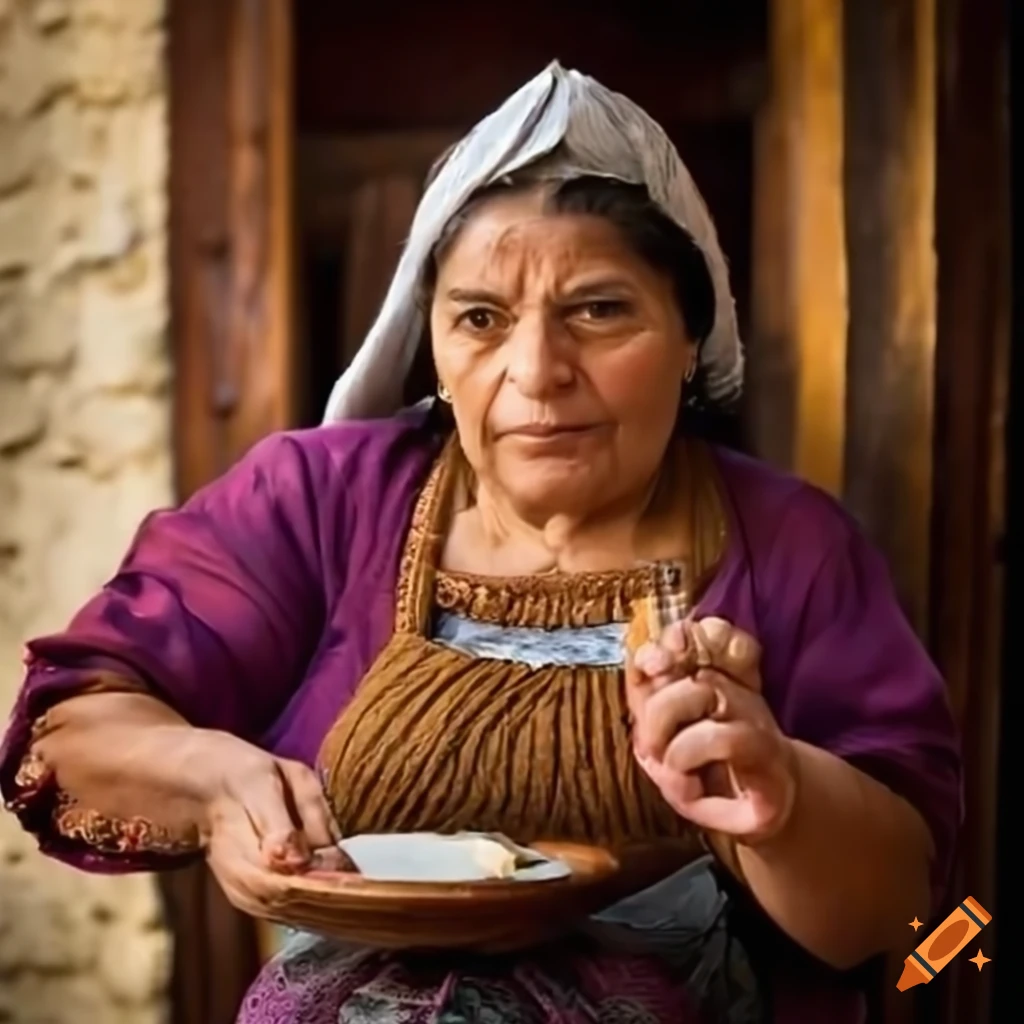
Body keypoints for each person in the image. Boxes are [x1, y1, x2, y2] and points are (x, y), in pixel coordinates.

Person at [0, 63, 960, 1024]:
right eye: (481, 319)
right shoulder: (321, 502)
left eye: (599, 310)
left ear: (689, 338)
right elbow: (70, 730)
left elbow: (922, 918)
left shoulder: (791, 547)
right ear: (435, 350)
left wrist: (780, 795)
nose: (536, 372)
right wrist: (213, 782)